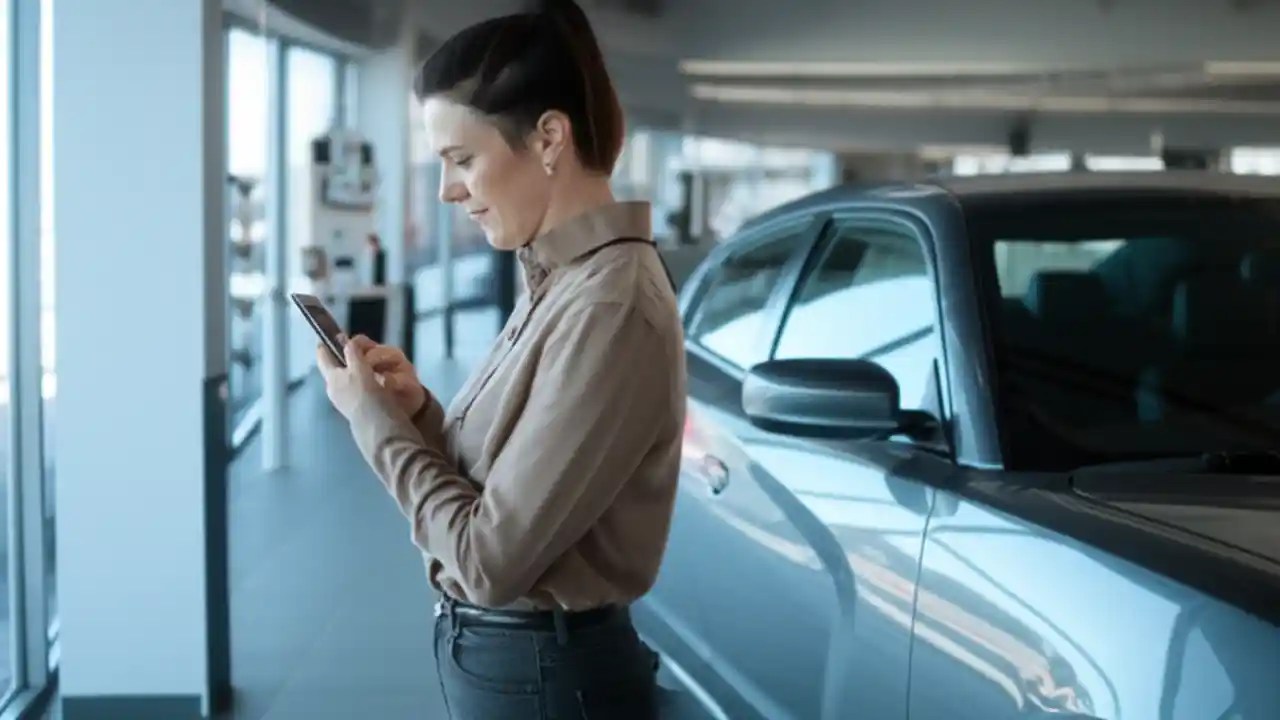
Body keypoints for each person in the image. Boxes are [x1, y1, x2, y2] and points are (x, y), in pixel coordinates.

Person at [315, 0, 686, 717]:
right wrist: (415, 414)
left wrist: (374, 426)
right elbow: (502, 487)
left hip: (542, 675)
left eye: (463, 159)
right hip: (520, 665)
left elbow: (489, 562)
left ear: (549, 137)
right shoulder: (561, 279)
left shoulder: (608, 306)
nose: (448, 189)